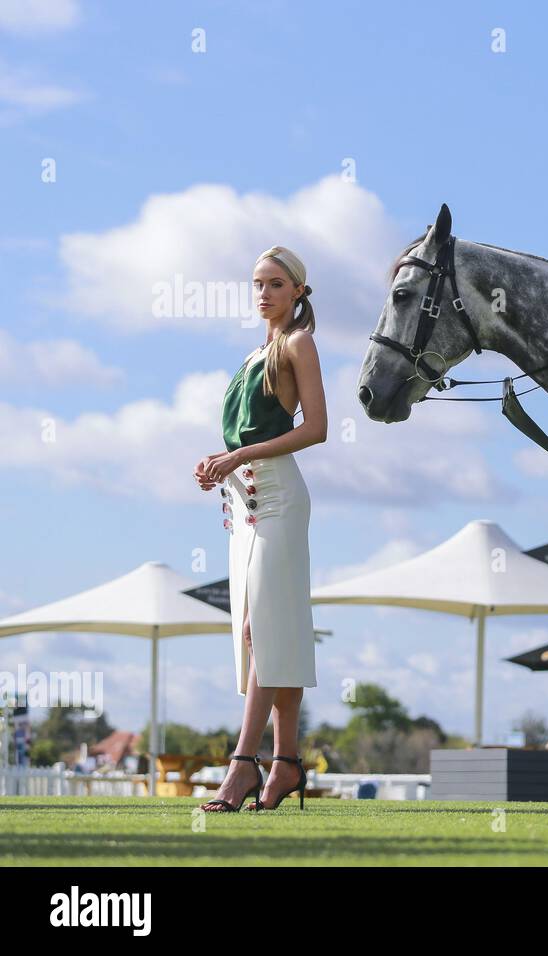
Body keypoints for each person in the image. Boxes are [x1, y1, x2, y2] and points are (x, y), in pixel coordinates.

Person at [193, 245, 327, 812]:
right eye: (257, 284)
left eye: (275, 283)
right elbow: (240, 438)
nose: (264, 293)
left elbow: (317, 429)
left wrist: (240, 454)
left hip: (278, 497)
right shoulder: (256, 354)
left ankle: (242, 764)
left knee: (261, 628)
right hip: (244, 502)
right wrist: (218, 463)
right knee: (278, 630)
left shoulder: (298, 344)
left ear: (297, 290)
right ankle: (287, 764)